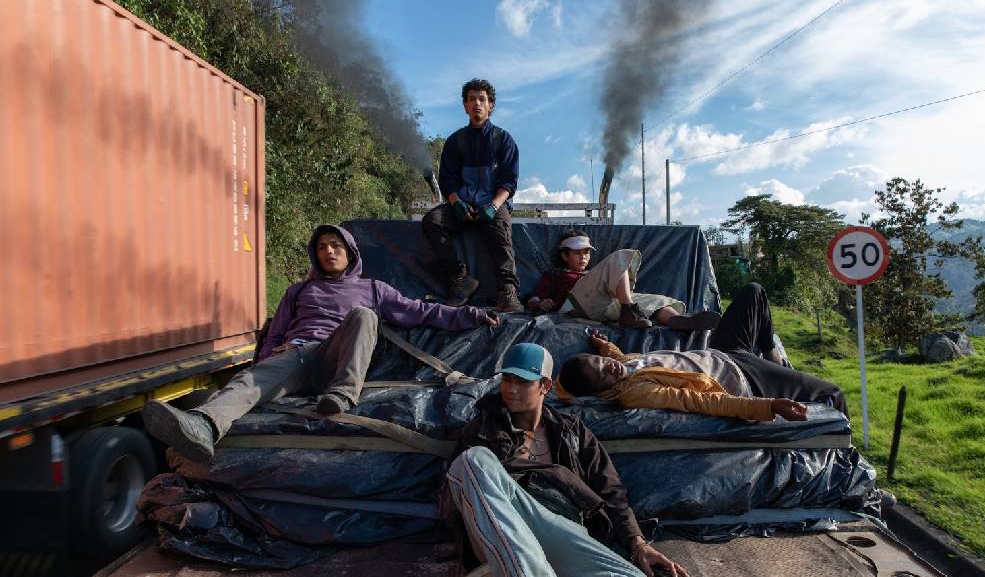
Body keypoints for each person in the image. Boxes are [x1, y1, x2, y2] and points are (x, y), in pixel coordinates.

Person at [142, 224, 498, 464]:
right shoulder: (299, 290)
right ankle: (203, 426)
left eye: (336, 246)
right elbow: (275, 334)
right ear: (315, 255)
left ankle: (342, 395)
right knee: (248, 381)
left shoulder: (373, 289)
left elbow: (421, 312)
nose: (329, 251)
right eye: (323, 247)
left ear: (350, 252)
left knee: (364, 316)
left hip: (336, 358)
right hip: (296, 357)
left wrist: (471, 315)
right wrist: (266, 363)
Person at [416, 343, 687, 577]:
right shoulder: (483, 429)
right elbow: (467, 493)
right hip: (508, 533)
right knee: (472, 461)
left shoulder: (574, 431)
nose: (511, 389)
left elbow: (612, 492)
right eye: (507, 379)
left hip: (563, 531)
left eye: (522, 382)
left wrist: (638, 544)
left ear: (545, 385)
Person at [556, 283, 848, 422]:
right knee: (832, 393)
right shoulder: (635, 392)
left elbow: (618, 359)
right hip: (743, 376)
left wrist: (602, 346)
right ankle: (849, 461)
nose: (611, 368)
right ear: (601, 392)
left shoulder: (621, 365)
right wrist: (767, 406)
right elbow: (702, 402)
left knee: (754, 292)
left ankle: (772, 354)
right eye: (603, 374)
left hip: (722, 351)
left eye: (602, 363)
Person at [422, 78, 523, 312]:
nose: (477, 103)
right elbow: (447, 180)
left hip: (492, 206)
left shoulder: (503, 140)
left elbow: (509, 181)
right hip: (462, 206)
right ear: (465, 106)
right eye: (471, 99)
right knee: (432, 222)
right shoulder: (455, 142)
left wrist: (495, 206)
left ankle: (508, 291)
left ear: (491, 106)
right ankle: (460, 279)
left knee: (502, 235)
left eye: (482, 99)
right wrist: (456, 203)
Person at [526, 230, 721, 331]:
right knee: (620, 259)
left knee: (655, 300)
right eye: (577, 252)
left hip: (604, 306)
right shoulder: (556, 275)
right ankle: (629, 310)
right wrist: (540, 303)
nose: (583, 257)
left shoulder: (594, 273)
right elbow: (532, 300)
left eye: (586, 252)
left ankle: (679, 321)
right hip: (575, 304)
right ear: (564, 255)